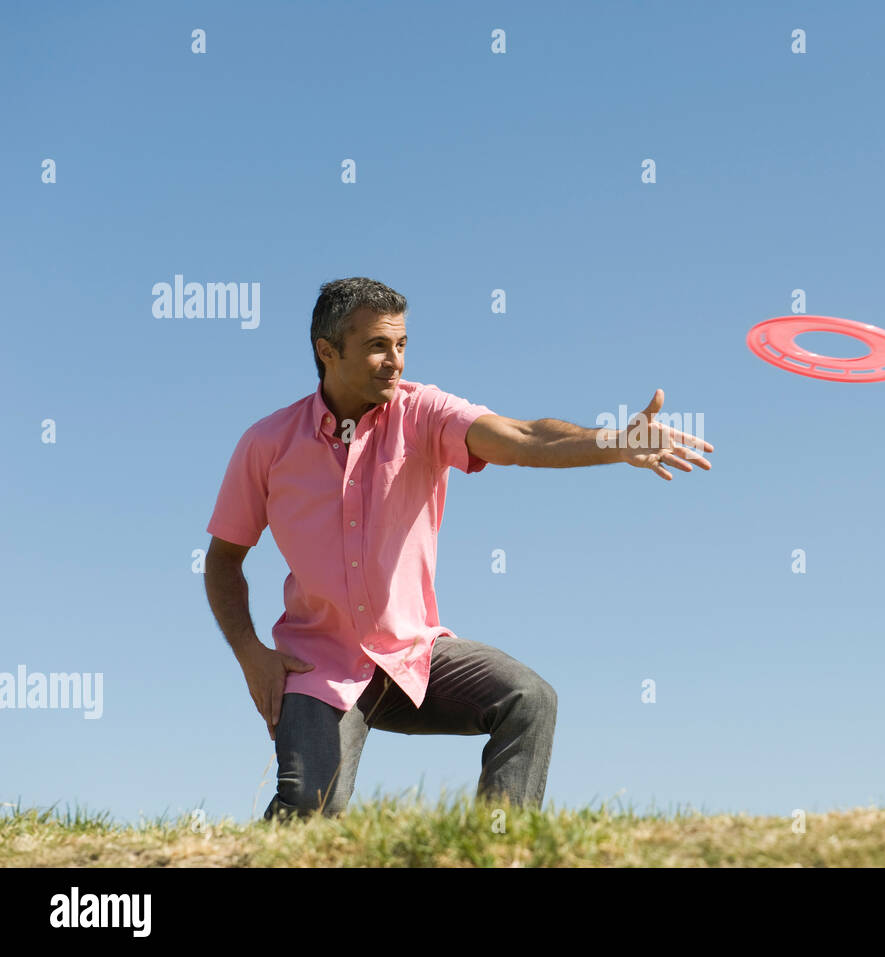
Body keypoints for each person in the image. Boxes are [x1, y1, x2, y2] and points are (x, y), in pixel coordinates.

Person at [202, 277, 714, 821]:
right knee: (309, 807)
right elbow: (223, 559)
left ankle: (497, 852)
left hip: (412, 653)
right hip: (316, 667)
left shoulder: (424, 413)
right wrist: (250, 654)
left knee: (528, 699)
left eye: (401, 345)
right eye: (378, 345)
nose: (393, 360)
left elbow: (523, 437)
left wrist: (613, 443)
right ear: (327, 351)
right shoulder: (268, 444)